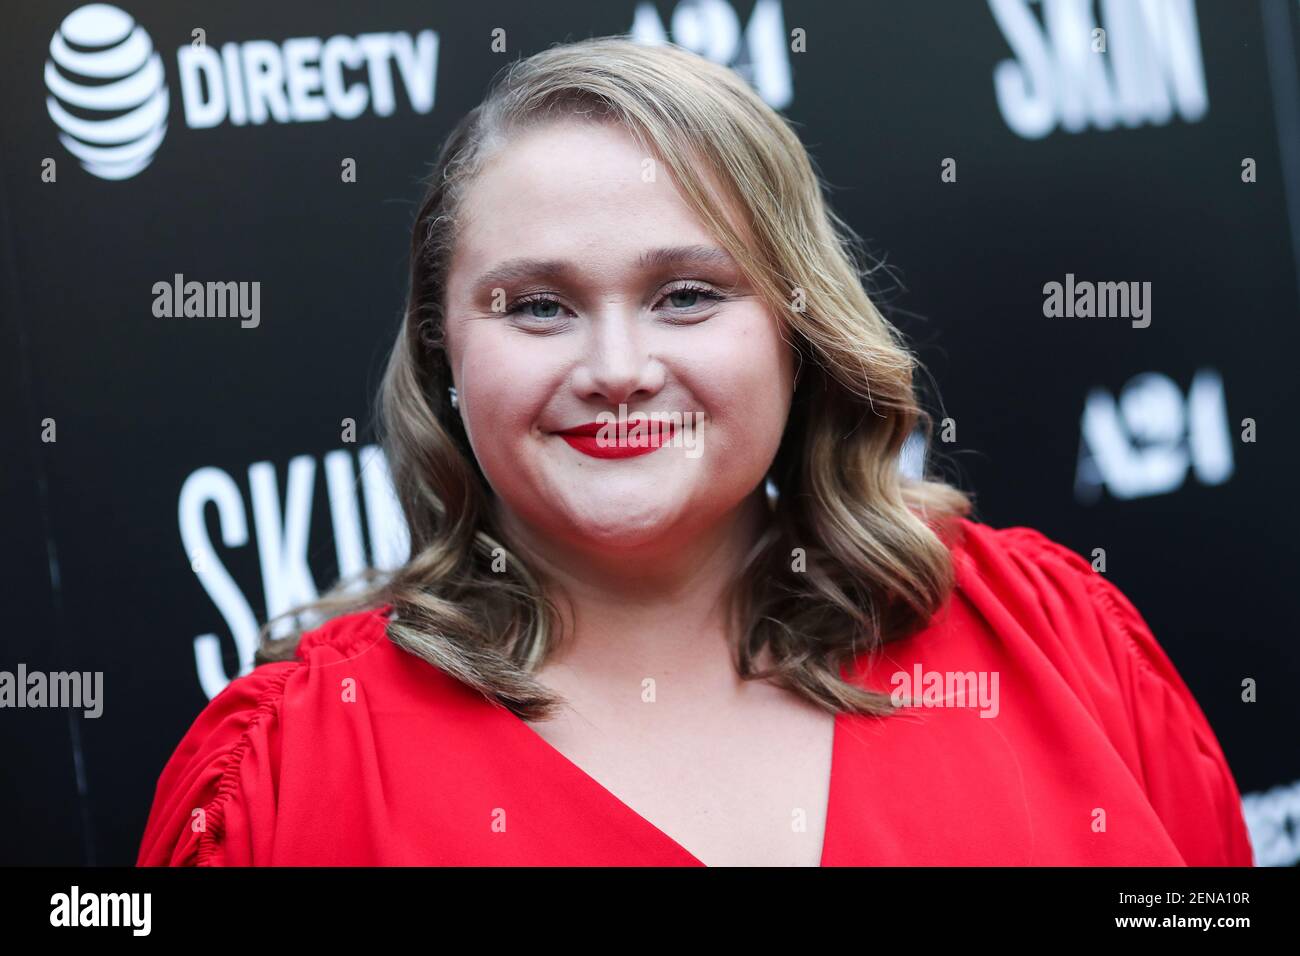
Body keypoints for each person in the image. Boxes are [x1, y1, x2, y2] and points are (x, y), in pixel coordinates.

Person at [137, 36, 1254, 867]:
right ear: (443, 351)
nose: (616, 366)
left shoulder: (1057, 642)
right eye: (536, 306)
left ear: (795, 326)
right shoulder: (287, 778)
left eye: (686, 294)